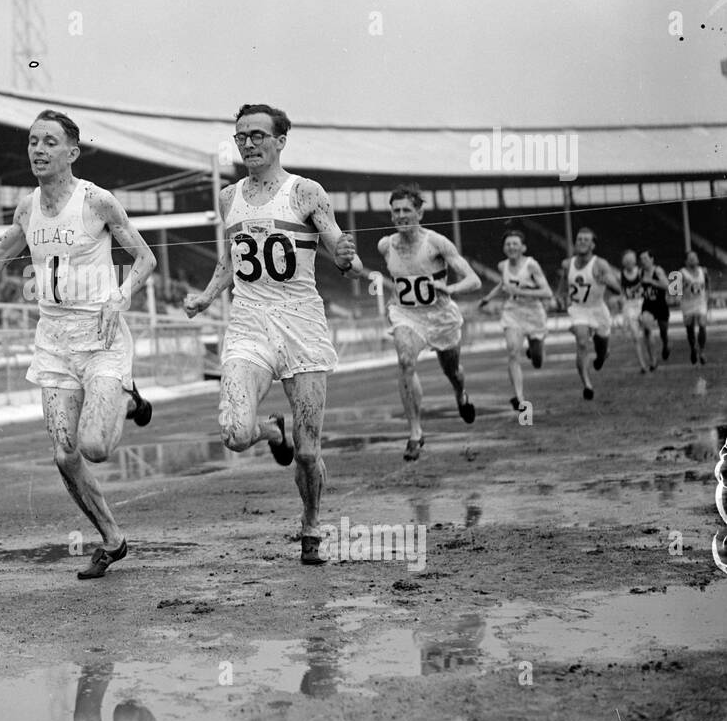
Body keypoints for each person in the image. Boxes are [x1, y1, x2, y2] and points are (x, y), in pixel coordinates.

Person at [0, 109, 156, 581]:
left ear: (71, 152)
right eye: (33, 141)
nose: (38, 149)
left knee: (94, 447)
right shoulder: (26, 207)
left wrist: (121, 293)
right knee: (63, 454)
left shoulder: (97, 202)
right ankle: (112, 539)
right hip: (53, 341)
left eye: (49, 142)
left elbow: (144, 258)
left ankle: (126, 396)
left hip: (100, 336)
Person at [182, 104, 363, 566]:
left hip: (301, 323)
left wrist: (345, 257)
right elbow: (229, 261)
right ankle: (270, 431)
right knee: (235, 433)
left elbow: (344, 256)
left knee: (307, 452)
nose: (248, 143)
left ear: (281, 140)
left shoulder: (305, 193)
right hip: (249, 323)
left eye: (258, 135)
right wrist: (206, 298)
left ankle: (311, 525)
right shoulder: (228, 197)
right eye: (241, 135)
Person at [377, 183, 481, 461]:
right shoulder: (386, 246)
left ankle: (461, 396)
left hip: (440, 316)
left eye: (406, 210)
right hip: (407, 315)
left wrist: (453, 289)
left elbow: (474, 279)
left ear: (419, 213)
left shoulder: (436, 243)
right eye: (395, 211)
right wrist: (393, 299)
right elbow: (401, 280)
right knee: (405, 360)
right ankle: (415, 432)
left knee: (453, 372)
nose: (400, 215)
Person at [477, 228, 551, 413]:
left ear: (523, 247)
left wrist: (520, 292)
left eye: (515, 244)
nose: (511, 247)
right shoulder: (503, 266)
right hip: (513, 312)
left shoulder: (532, 266)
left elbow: (547, 292)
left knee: (537, 361)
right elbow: (504, 284)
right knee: (512, 352)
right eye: (508, 244)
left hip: (534, 313)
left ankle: (534, 350)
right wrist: (488, 297)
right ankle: (519, 397)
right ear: (504, 248)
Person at [554, 228, 620, 398]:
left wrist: (606, 281)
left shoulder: (600, 264)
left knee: (601, 346)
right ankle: (587, 385)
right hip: (579, 310)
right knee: (582, 342)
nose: (581, 242)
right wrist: (559, 297)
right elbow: (563, 285)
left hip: (598, 309)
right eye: (579, 239)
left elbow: (617, 288)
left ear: (592, 245)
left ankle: (601, 356)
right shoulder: (567, 264)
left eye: (585, 240)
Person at [617, 250, 651, 373]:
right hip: (629, 306)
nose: (629, 263)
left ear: (635, 261)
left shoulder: (641, 273)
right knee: (636, 337)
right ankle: (642, 365)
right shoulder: (620, 275)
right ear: (623, 263)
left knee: (648, 331)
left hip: (642, 303)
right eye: (626, 262)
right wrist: (620, 299)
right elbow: (620, 291)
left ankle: (652, 358)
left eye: (631, 261)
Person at [637, 249, 671, 370]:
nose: (643, 261)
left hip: (661, 305)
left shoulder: (658, 270)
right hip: (648, 305)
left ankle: (665, 345)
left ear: (652, 259)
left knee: (663, 332)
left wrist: (651, 281)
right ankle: (653, 360)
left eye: (645, 258)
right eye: (641, 259)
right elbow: (638, 284)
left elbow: (667, 286)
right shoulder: (640, 272)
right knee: (647, 330)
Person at [677, 250, 708, 366]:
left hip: (700, 303)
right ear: (686, 261)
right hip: (687, 304)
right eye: (690, 258)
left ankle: (702, 351)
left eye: (695, 257)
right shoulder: (681, 273)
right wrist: (684, 286)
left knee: (702, 324)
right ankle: (693, 349)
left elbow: (707, 284)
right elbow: (674, 290)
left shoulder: (703, 271)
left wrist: (707, 296)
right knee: (690, 330)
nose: (693, 260)